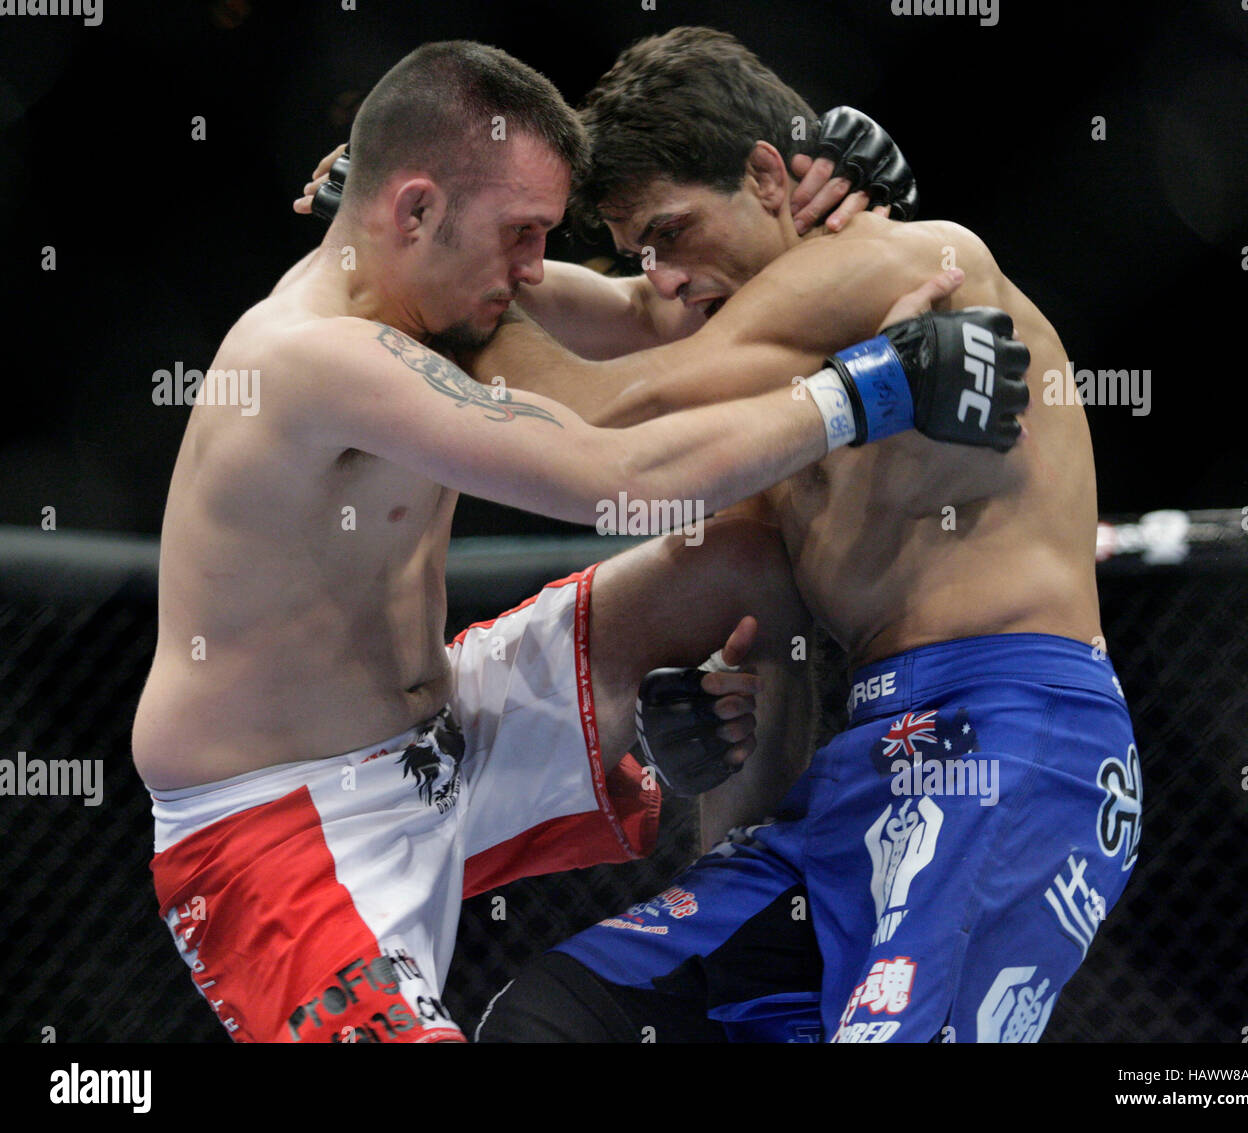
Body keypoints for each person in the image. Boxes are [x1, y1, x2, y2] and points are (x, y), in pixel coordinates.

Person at [137, 39, 1026, 1043]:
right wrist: (863, 389)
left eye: (542, 235)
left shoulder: (442, 286)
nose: (533, 269)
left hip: (447, 734)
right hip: (281, 826)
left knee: (739, 559)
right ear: (416, 208)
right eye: (520, 234)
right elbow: (621, 479)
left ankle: (740, 900)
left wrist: (828, 196)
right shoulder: (310, 357)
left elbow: (666, 306)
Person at [429, 27, 1142, 1043]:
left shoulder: (893, 261)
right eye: (643, 252)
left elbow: (608, 415)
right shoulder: (783, 398)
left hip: (1011, 743)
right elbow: (620, 313)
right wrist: (707, 724)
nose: (663, 277)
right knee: (560, 1019)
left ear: (767, 175)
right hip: (853, 777)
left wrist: (429, 280)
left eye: (672, 233)